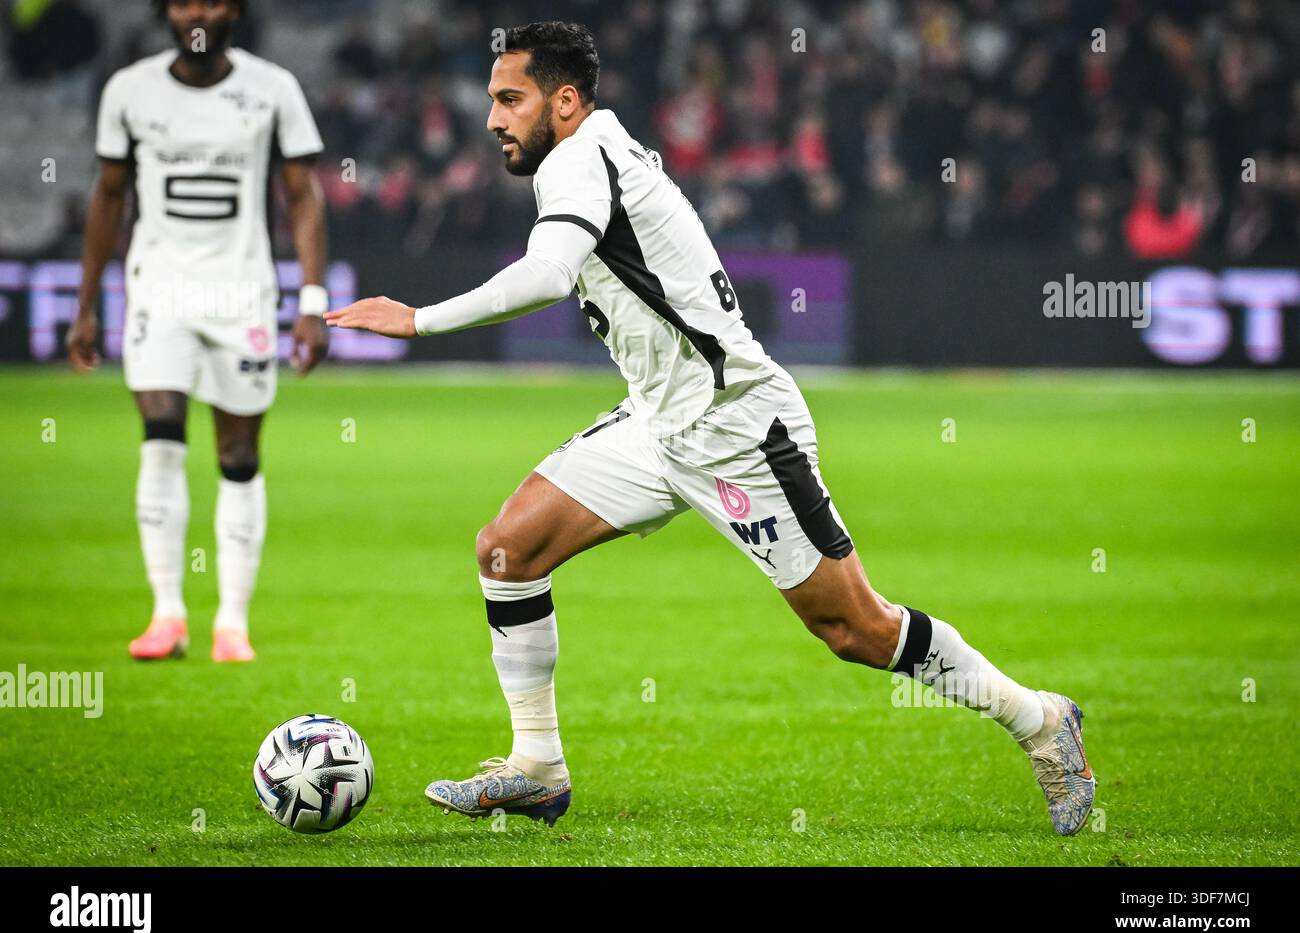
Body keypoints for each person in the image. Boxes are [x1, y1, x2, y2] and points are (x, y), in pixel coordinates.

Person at [325, 21, 1094, 834]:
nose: (492, 119)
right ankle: (538, 766)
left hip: (737, 427)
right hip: (658, 424)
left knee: (855, 629)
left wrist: (418, 319)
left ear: (566, 100)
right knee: (508, 550)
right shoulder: (595, 152)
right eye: (491, 100)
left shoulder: (582, 159)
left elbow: (549, 276)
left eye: (510, 99)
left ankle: (1040, 720)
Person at [66, 0, 329, 662]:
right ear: (164, 12)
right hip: (159, 290)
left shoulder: (273, 89)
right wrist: (88, 304)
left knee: (237, 456)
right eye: (183, 0)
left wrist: (313, 300)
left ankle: (231, 623)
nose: (197, 12)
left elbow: (303, 198)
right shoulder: (129, 90)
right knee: (160, 436)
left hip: (244, 295)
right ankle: (168, 614)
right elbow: (108, 195)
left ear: (235, 9)